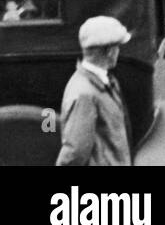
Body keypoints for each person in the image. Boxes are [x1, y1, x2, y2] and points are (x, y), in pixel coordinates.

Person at [56, 15, 133, 166]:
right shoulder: (85, 93)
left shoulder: (105, 82)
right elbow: (75, 152)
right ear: (110, 51)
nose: (118, 52)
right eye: (117, 47)